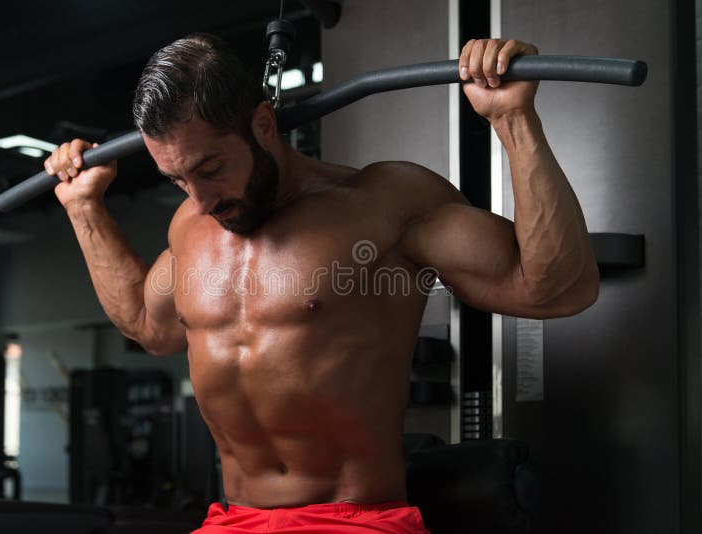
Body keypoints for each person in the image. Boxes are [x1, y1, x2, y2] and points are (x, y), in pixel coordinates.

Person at [44, 34, 599, 533]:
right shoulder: (189, 226)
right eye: (176, 180)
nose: (200, 199)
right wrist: (84, 209)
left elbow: (558, 289)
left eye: (210, 169)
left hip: (353, 520)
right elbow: (149, 326)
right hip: (233, 521)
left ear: (264, 124)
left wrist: (513, 120)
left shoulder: (384, 204)